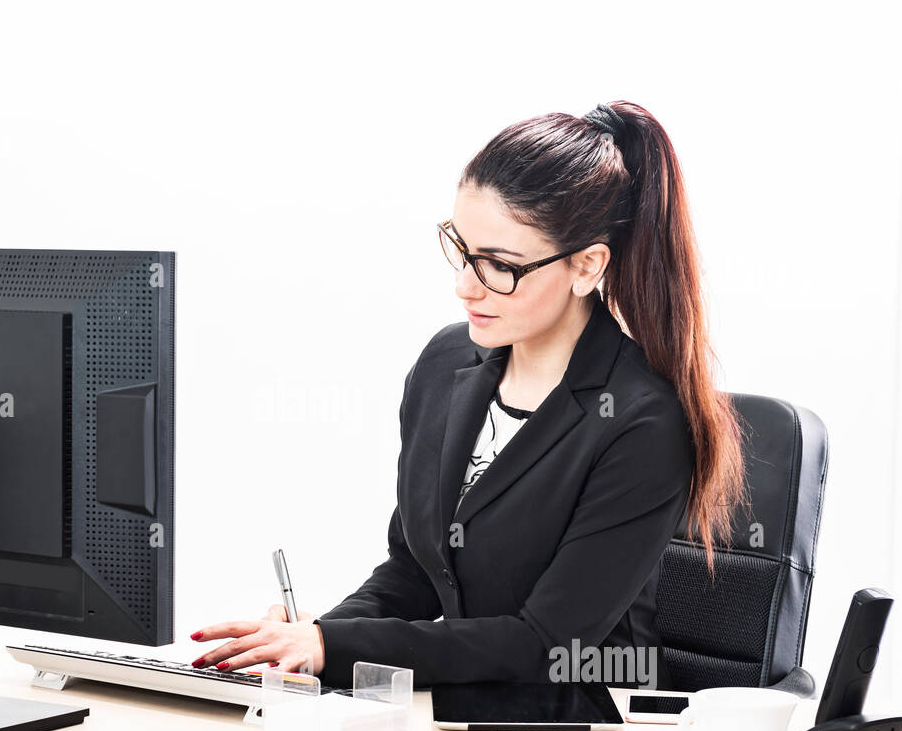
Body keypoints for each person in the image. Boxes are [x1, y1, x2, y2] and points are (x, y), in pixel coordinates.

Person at [190, 101, 745, 690]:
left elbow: (545, 646)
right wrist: (307, 641)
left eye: (498, 265)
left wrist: (336, 647)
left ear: (586, 266)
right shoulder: (446, 364)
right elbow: (416, 571)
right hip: (452, 708)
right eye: (460, 250)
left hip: (583, 725)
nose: (463, 286)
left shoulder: (642, 421)